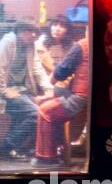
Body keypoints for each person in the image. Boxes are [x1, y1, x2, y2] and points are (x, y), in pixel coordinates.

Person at [0, 20, 51, 162]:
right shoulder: (8, 42)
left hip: (20, 90)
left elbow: (37, 68)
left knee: (40, 111)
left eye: (35, 32)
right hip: (3, 92)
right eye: (29, 31)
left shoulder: (30, 46)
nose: (33, 35)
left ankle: (12, 149)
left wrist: (48, 89)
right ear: (20, 31)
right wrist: (3, 91)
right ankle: (6, 146)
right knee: (36, 113)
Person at [35, 28, 91, 167]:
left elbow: (62, 70)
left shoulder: (83, 45)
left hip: (81, 96)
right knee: (52, 99)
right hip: (88, 95)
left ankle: (47, 158)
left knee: (46, 111)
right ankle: (60, 147)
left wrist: (53, 80)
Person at [36, 15, 77, 85]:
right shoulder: (40, 45)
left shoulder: (73, 47)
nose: (57, 29)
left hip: (65, 84)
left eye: (62, 26)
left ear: (68, 31)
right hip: (45, 84)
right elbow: (38, 71)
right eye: (55, 25)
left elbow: (73, 71)